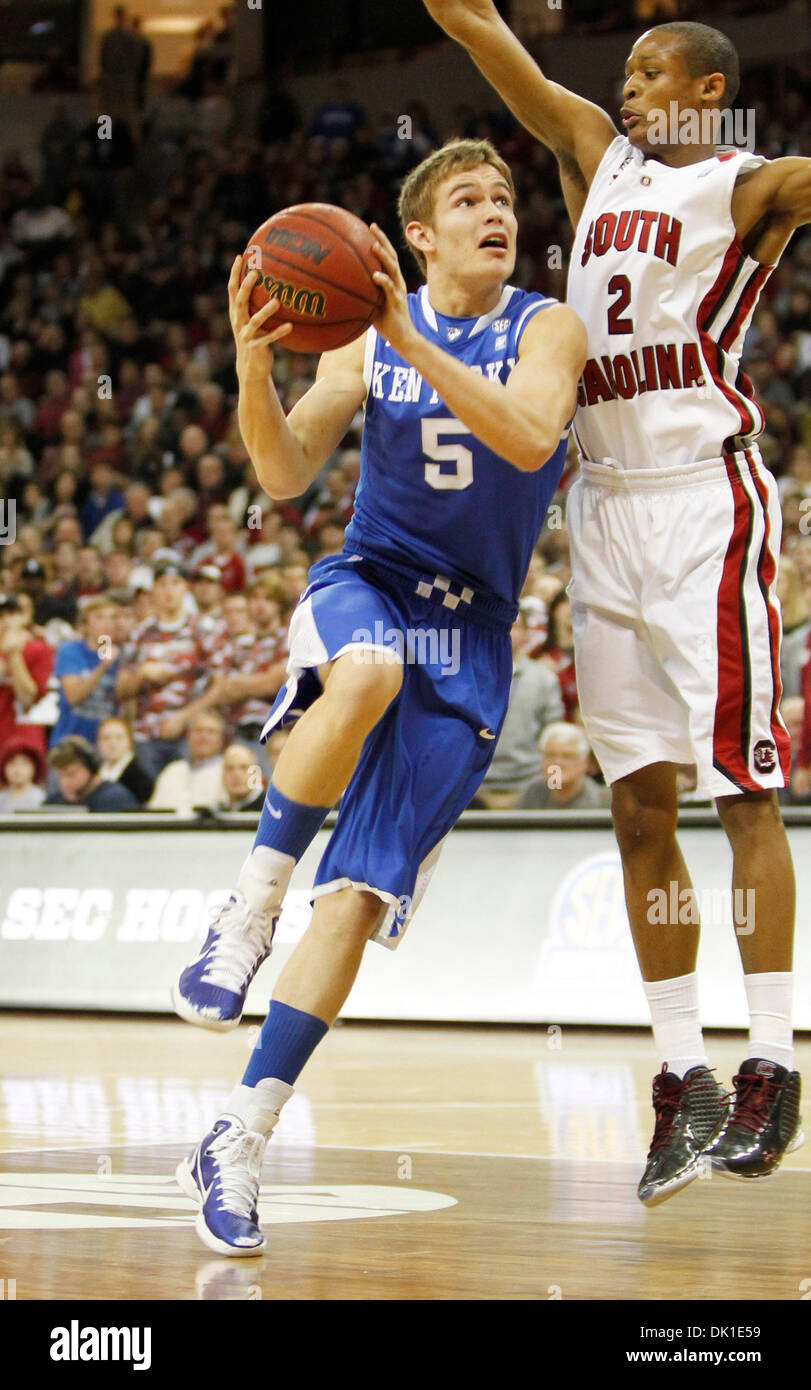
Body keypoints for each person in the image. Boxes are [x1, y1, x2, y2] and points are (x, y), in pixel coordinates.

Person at [171, 137, 586, 1255]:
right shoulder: (358, 332)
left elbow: (532, 435)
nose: (494, 211)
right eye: (467, 199)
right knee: (366, 669)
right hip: (370, 583)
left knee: (354, 898)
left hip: (476, 633)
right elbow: (284, 473)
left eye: (502, 196)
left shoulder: (545, 325)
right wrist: (255, 373)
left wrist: (408, 338)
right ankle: (248, 909)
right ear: (417, 235)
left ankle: (239, 1134)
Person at [425, 1, 808, 1201]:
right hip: (600, 508)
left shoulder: (753, 184)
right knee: (638, 807)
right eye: (627, 68)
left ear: (707, 90)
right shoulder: (597, 152)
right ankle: (678, 1076)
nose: (628, 83)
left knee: (742, 788)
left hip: (706, 501)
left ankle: (769, 1058)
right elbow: (504, 57)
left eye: (651, 70)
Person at [476, 608, 564, 807]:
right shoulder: (470, 676)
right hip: (477, 783)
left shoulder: (544, 679)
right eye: (502, 625)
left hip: (529, 781)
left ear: (525, 635)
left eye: (514, 626)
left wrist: (551, 782)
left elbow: (552, 733)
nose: (508, 631)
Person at [50, 596, 121, 746]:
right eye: (99, 617)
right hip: (69, 741)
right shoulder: (70, 650)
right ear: (85, 625)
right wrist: (103, 667)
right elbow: (74, 696)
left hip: (105, 746)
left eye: (112, 618)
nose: (107, 623)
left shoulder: (123, 655)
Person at [147, 709, 226, 816]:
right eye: (198, 731)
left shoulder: (228, 770)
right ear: (188, 737)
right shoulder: (172, 770)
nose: (203, 737)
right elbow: (153, 811)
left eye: (210, 732)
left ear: (221, 740)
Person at [516, 721, 609, 809]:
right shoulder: (532, 793)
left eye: (567, 756)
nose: (558, 763)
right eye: (550, 755)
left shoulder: (600, 802)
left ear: (584, 761)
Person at [45, 735, 139, 811]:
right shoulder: (54, 802)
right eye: (60, 776)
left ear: (91, 768)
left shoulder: (115, 800)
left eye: (71, 774)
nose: (64, 782)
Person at [96, 716, 154, 805]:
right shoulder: (94, 773)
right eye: (106, 738)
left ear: (129, 742)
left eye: (119, 738)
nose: (112, 743)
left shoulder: (141, 779)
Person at [0, 736, 47, 812]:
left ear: (35, 767)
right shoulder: (1, 799)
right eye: (12, 763)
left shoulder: (41, 799)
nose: (17, 769)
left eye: (24, 763)